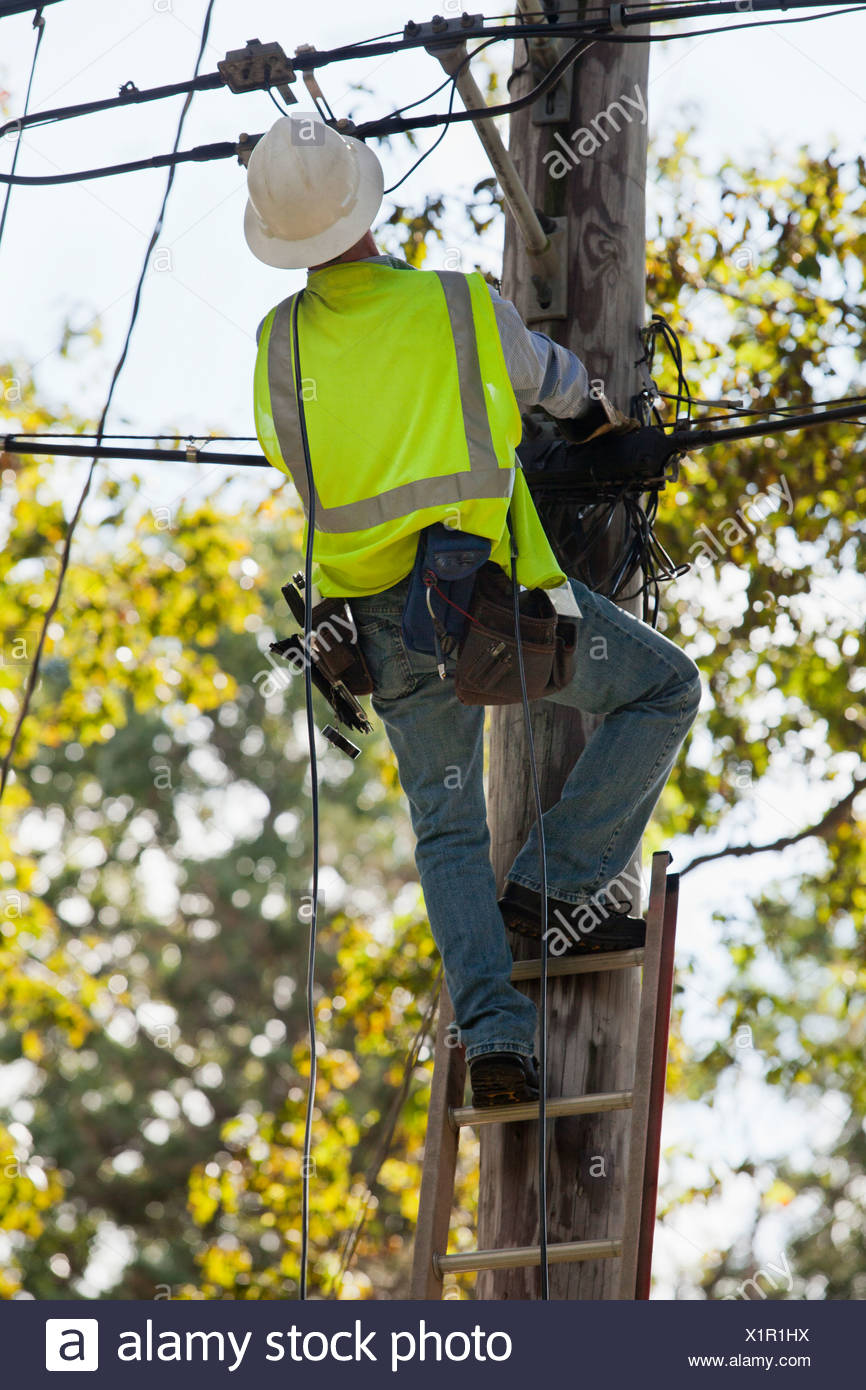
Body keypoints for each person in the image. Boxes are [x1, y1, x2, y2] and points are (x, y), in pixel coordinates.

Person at [248, 114, 702, 1108]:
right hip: (495, 603)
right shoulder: (456, 306)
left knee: (446, 834)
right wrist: (596, 425)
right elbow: (560, 390)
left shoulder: (278, 344)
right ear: (366, 208)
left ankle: (494, 1036)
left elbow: (297, 465)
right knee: (665, 688)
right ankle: (551, 883)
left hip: (373, 626)